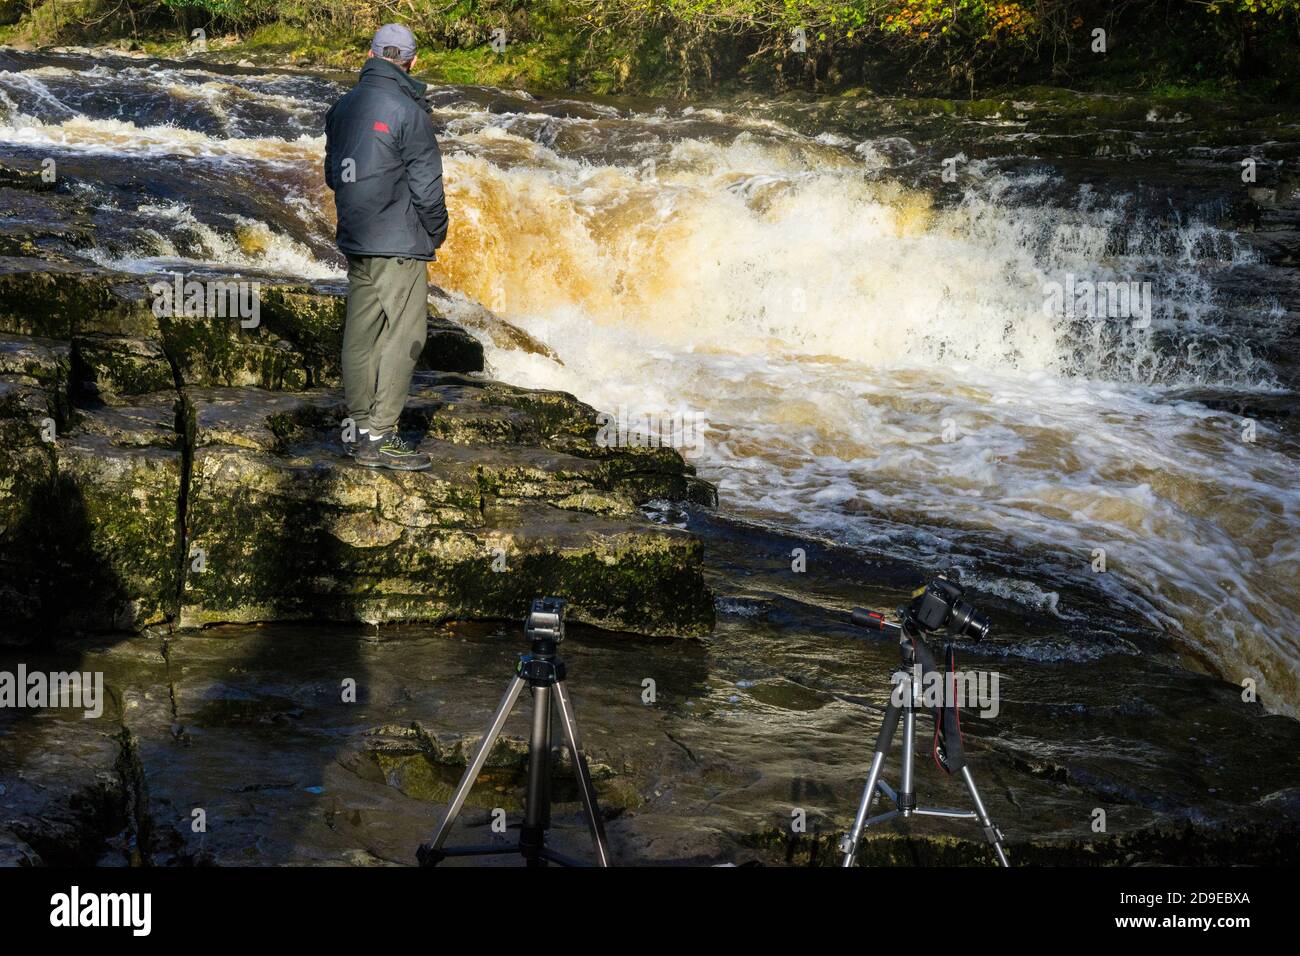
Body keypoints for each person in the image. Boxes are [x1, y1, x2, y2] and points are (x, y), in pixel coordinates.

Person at [324, 23, 449, 471]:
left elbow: (333, 175)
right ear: (413, 61)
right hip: (399, 243)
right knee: (408, 335)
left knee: (362, 333)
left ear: (371, 54)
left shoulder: (341, 108)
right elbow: (427, 189)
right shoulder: (410, 112)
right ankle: (380, 435)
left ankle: (359, 429)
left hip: (357, 238)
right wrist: (435, 232)